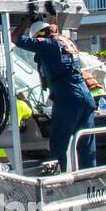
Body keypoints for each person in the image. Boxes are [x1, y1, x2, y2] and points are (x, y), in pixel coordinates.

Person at [11, 15, 96, 170]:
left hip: (68, 97)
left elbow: (15, 37)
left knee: (58, 144)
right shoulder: (65, 41)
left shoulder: (46, 44)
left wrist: (26, 21)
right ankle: (90, 177)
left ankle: (58, 180)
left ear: (40, 36)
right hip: (85, 95)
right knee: (85, 143)